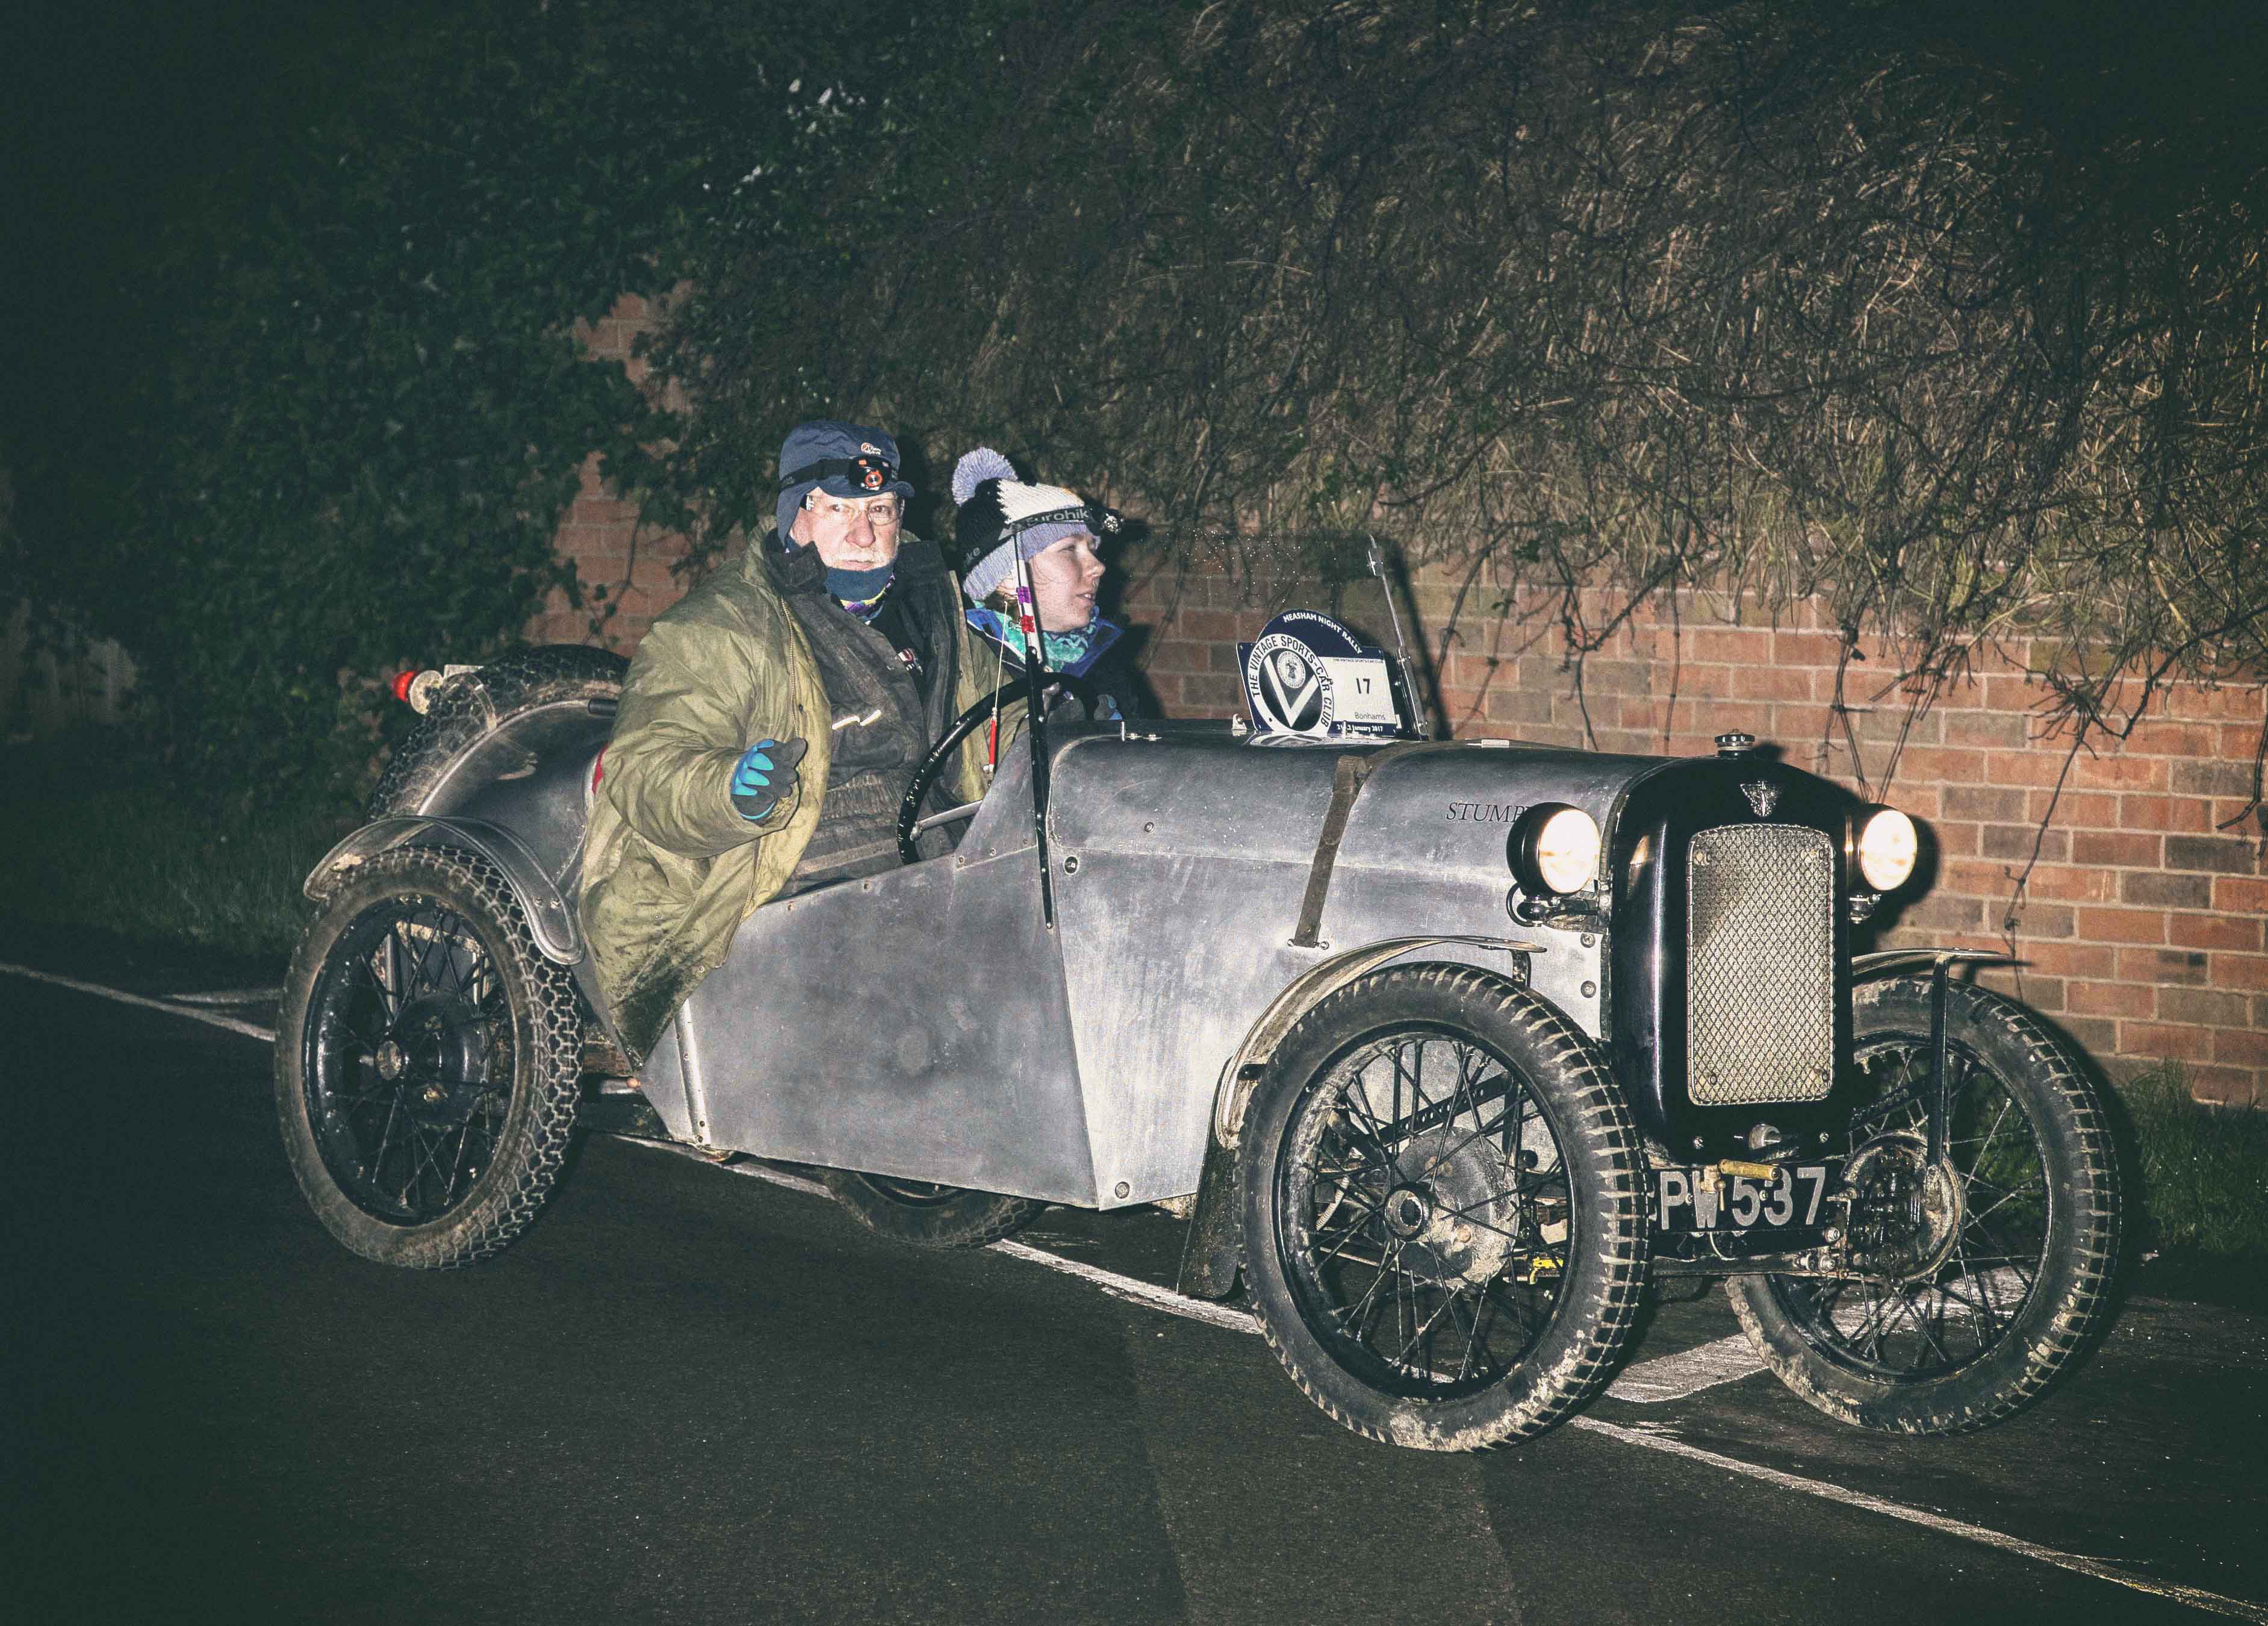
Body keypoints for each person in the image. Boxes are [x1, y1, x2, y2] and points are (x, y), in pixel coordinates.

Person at [579, 420, 999, 1061]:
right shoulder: (722, 628)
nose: (864, 535)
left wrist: (1064, 716)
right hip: (783, 871)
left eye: (880, 510)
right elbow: (644, 769)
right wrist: (730, 790)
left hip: (939, 854)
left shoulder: (936, 603)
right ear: (793, 514)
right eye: (839, 510)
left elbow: (995, 721)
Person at [949, 447, 1145, 721]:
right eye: (1069, 549)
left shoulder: (1104, 664)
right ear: (1007, 578)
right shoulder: (962, 666)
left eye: (1092, 549)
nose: (1098, 567)